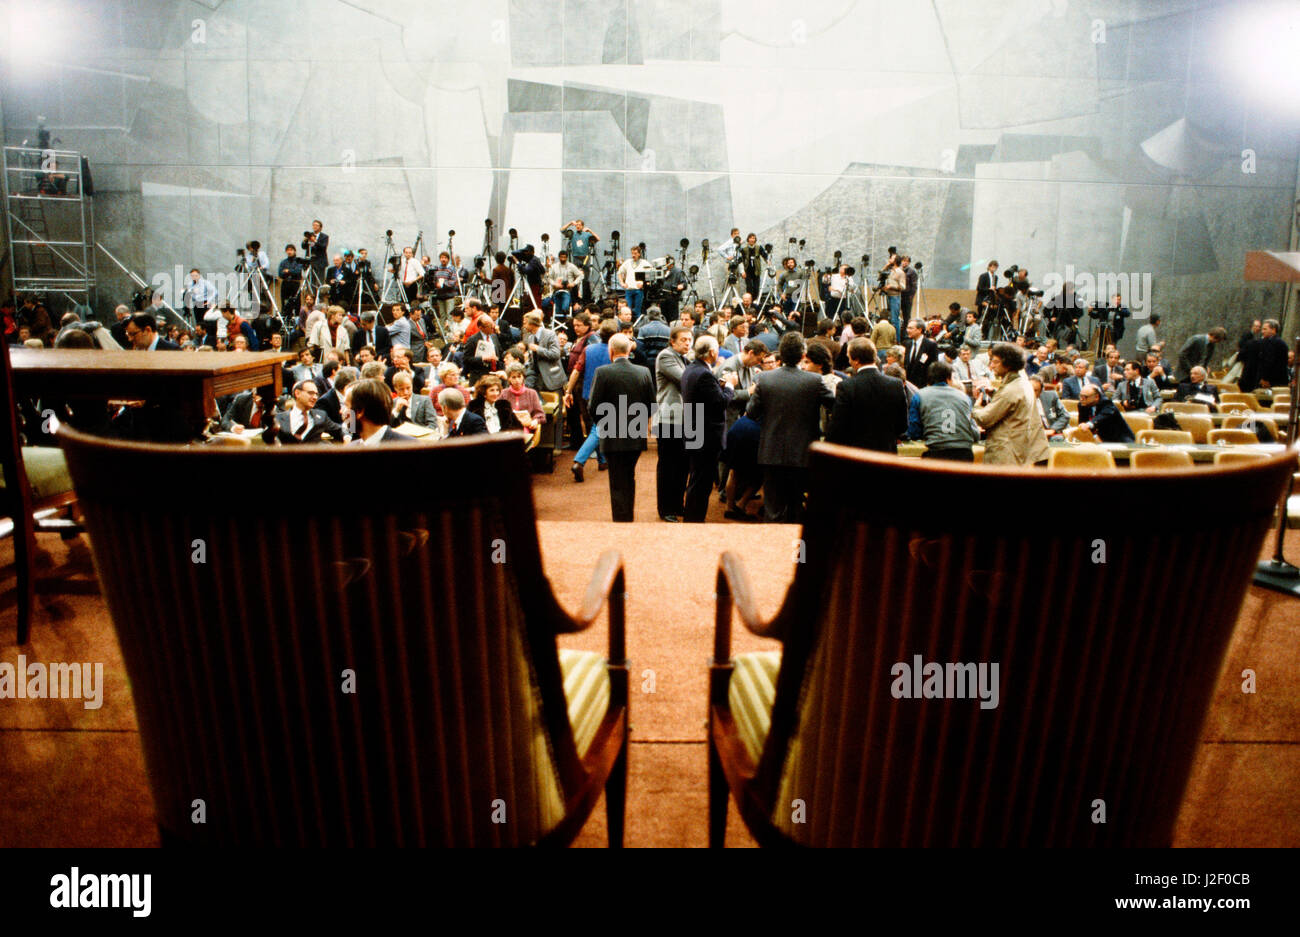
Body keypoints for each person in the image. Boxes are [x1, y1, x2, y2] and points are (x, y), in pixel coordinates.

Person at [746, 332, 835, 523]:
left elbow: (751, 412)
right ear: (803, 355)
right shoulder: (815, 381)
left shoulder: (765, 379)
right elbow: (835, 405)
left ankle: (772, 552)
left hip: (771, 452)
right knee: (797, 510)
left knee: (772, 509)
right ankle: (796, 552)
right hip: (802, 454)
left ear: (781, 354)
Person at [588, 333, 655, 522]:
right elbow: (651, 405)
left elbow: (593, 406)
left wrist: (604, 424)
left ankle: (621, 521)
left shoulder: (602, 372)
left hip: (611, 435)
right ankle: (628, 517)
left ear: (611, 351)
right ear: (629, 351)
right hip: (635, 435)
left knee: (617, 480)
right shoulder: (643, 372)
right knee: (629, 477)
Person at [680, 335, 736, 522]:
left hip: (696, 430)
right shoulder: (704, 373)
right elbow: (720, 403)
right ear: (712, 352)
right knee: (701, 483)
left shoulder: (692, 369)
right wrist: (729, 386)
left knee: (697, 480)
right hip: (705, 435)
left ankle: (693, 518)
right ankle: (694, 520)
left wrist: (719, 386)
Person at [972, 342, 1049, 465]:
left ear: (1008, 364)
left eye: (996, 362)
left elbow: (984, 419)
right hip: (1018, 449)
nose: (991, 366)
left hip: (1005, 454)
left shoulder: (1010, 389)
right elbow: (1013, 403)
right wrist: (994, 393)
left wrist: (976, 405)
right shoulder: (1023, 382)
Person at [827, 338, 908, 454]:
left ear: (856, 360)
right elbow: (902, 426)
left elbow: (837, 427)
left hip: (857, 456)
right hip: (886, 456)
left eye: (849, 357)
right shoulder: (896, 385)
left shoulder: (846, 386)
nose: (848, 361)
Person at [654, 326, 692, 522]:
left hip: (684, 419)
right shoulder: (666, 356)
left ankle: (678, 504)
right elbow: (686, 379)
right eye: (683, 339)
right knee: (668, 466)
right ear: (672, 341)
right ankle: (666, 508)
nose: (687, 343)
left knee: (683, 466)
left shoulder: (684, 359)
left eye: (689, 339)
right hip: (668, 420)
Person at [908, 360, 979, 461]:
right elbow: (974, 432)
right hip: (964, 454)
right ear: (949, 378)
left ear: (928, 378)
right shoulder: (964, 397)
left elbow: (914, 431)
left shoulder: (919, 396)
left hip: (936, 453)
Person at [262, 378, 348, 444]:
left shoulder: (321, 416)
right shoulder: (278, 418)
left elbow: (340, 430)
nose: (315, 397)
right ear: (297, 393)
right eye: (311, 393)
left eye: (316, 394)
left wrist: (347, 437)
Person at [520, 310, 565, 393]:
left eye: (525, 323)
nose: (524, 326)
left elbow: (555, 354)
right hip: (538, 382)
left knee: (556, 404)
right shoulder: (530, 338)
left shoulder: (550, 334)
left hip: (553, 379)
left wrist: (538, 349)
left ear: (532, 324)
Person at [1239, 318, 1290, 391]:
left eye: (1265, 329)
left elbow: (1270, 361)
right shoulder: (1269, 341)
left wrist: (1265, 378)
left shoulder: (1276, 343)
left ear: (1273, 330)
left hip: (1272, 381)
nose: (1262, 331)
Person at [560, 219, 600, 301]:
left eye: (579, 224)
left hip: (585, 258)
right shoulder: (573, 234)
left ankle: (586, 299)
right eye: (576, 224)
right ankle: (575, 298)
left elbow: (597, 239)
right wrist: (570, 223)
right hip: (576, 258)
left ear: (582, 226)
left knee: (585, 279)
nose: (577, 226)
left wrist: (590, 230)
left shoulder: (586, 235)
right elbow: (562, 230)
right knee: (575, 279)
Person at [618, 245, 654, 319]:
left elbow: (652, 273)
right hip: (629, 289)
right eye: (632, 253)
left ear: (639, 254)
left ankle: (636, 326)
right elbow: (619, 272)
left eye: (635, 253)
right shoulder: (627, 262)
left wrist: (644, 283)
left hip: (638, 290)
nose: (633, 255)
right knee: (628, 309)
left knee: (637, 311)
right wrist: (622, 283)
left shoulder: (644, 263)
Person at [1029, 373, 1070, 439]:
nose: (1032, 393)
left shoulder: (1051, 396)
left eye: (1036, 390)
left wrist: (1052, 430)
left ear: (1041, 391)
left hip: (1057, 431)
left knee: (1057, 439)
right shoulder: (1021, 402)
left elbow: (1065, 416)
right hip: (1036, 435)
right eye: (1030, 390)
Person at [902, 319, 939, 388]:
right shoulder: (907, 344)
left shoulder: (930, 345)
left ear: (919, 330)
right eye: (907, 328)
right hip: (908, 385)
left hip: (923, 386)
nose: (908, 330)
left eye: (911, 328)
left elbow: (934, 367)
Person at [549, 250, 583, 320]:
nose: (563, 259)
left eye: (564, 257)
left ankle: (565, 314)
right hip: (557, 290)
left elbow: (581, 275)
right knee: (557, 306)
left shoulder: (571, 266)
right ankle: (558, 320)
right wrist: (555, 284)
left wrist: (573, 283)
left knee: (565, 303)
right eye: (561, 257)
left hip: (568, 290)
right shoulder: (554, 267)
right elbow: (549, 278)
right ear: (559, 257)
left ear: (567, 257)